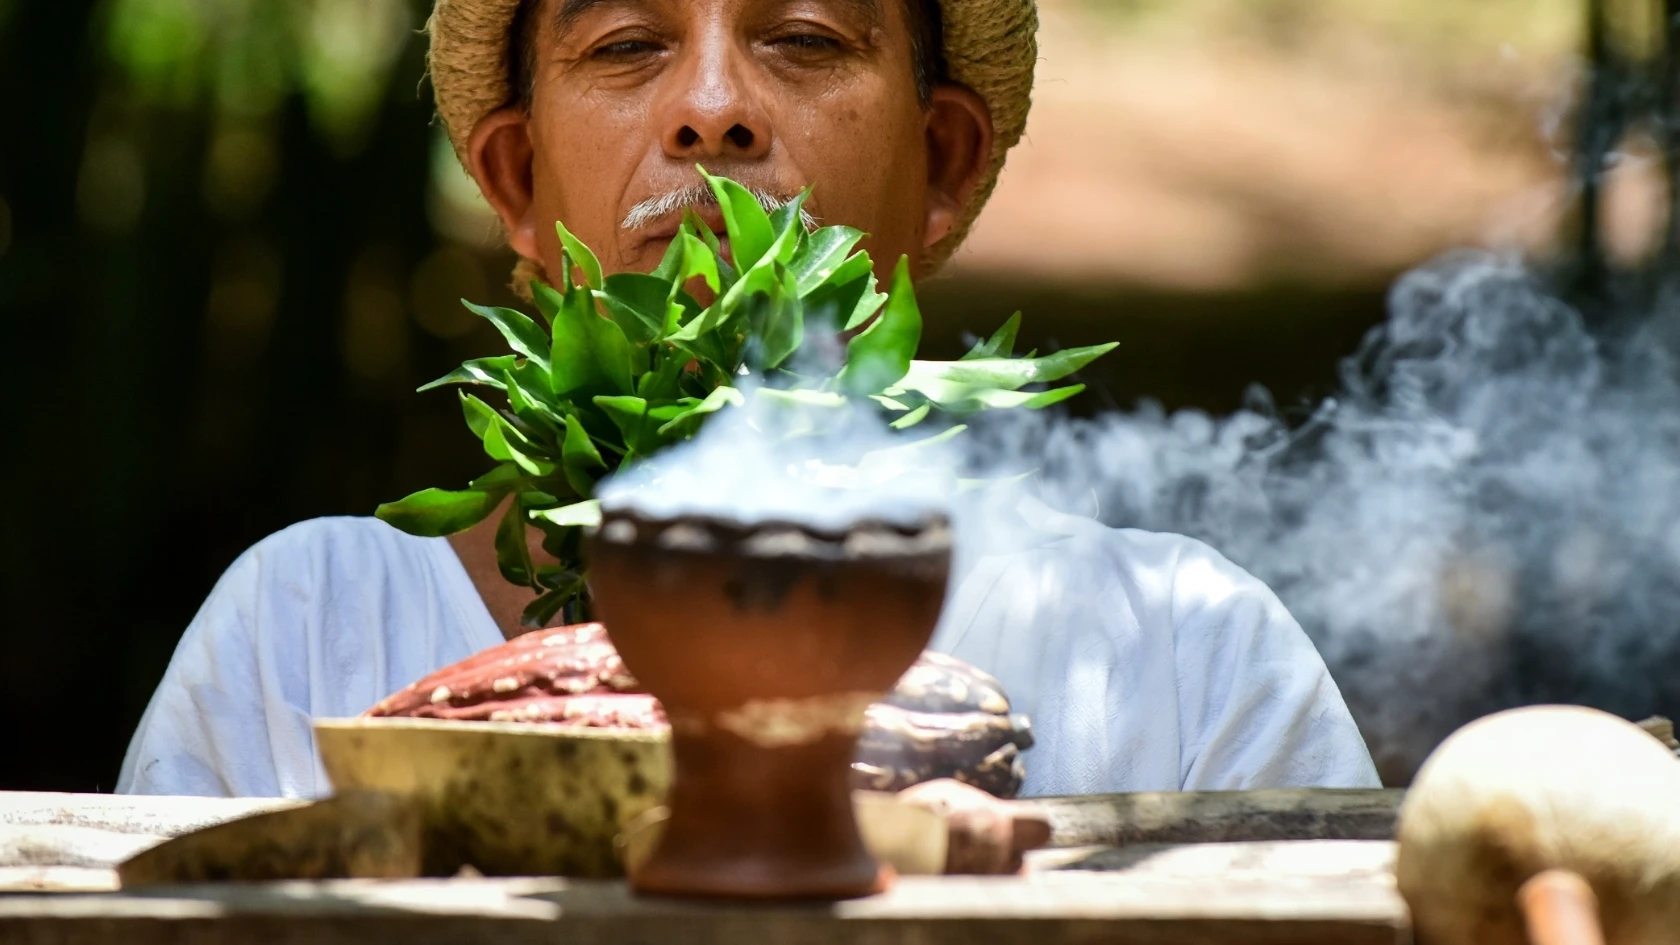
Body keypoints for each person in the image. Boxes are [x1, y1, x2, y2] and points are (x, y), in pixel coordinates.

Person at [118, 0, 1380, 799]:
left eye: (806, 39)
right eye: (627, 45)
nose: (713, 111)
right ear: (516, 180)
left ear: (942, 162)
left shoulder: (1181, 657)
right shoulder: (305, 642)